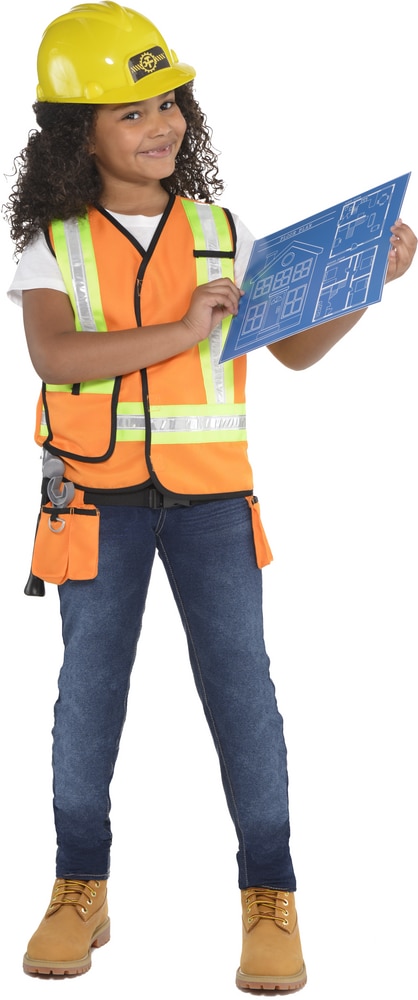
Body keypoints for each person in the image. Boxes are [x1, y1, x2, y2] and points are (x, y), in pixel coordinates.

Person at [5, 1, 416, 990]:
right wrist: (185, 327)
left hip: (212, 502)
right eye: (131, 112)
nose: (162, 125)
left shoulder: (224, 232)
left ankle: (268, 897)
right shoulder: (48, 242)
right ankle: (79, 887)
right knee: (88, 699)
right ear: (78, 132)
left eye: (169, 103)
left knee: (243, 697)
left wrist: (364, 284)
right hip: (94, 503)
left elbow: (295, 355)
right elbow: (56, 355)